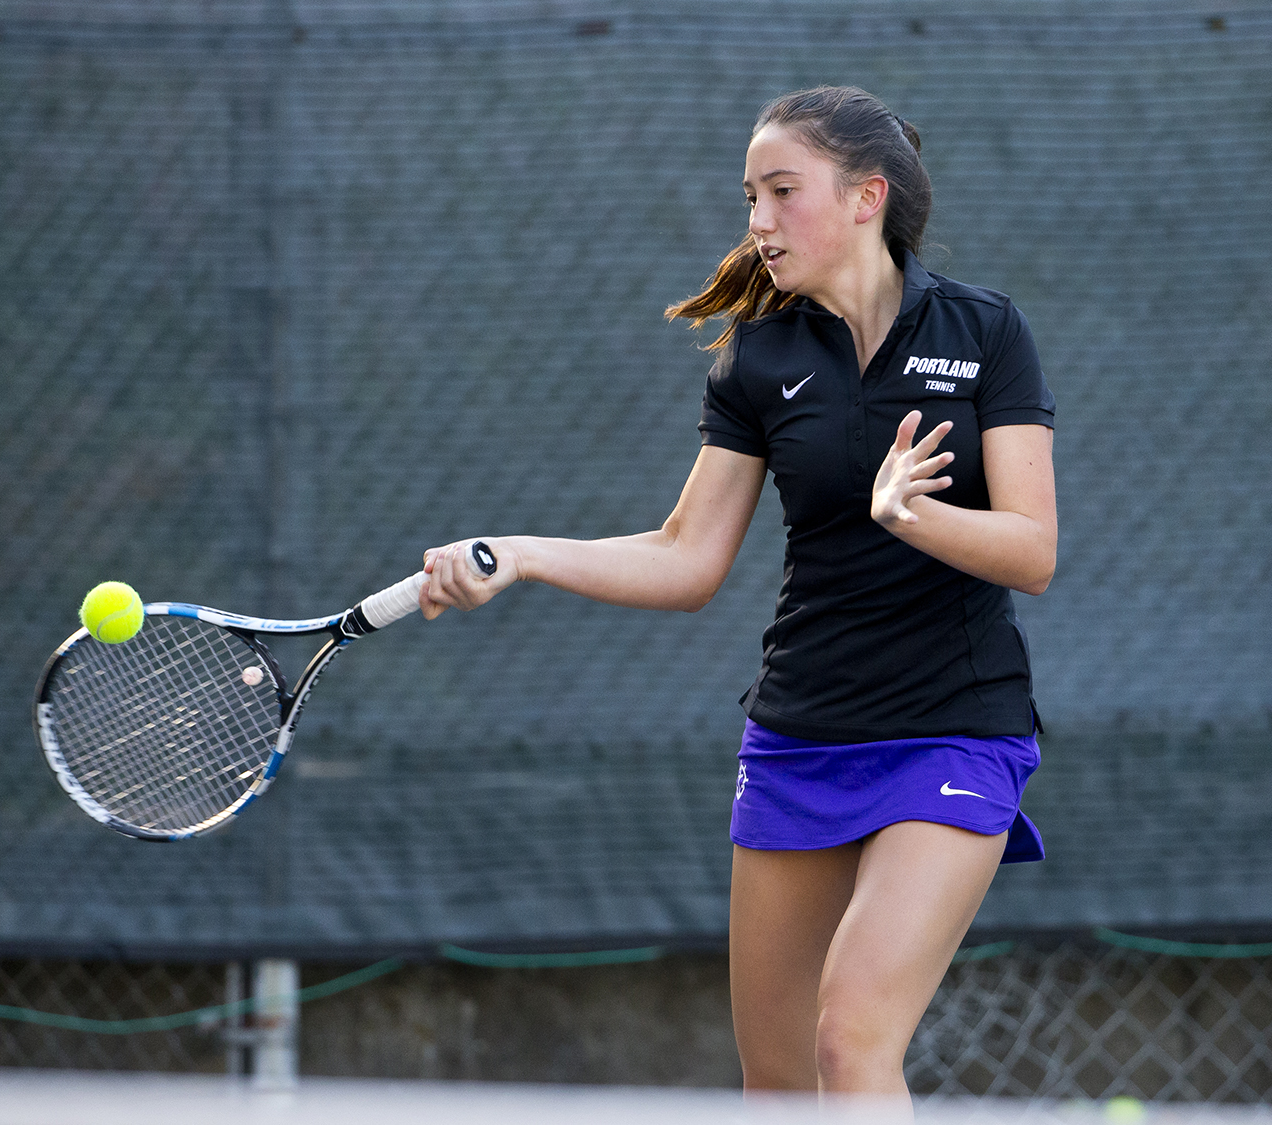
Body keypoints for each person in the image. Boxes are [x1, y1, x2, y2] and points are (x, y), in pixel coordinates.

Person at [417, 85, 1057, 1109]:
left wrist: (914, 517)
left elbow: (1030, 550)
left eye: (779, 191)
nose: (756, 221)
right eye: (748, 196)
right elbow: (685, 559)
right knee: (775, 1081)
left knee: (850, 1041)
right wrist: (523, 553)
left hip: (954, 731)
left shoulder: (983, 332)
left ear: (863, 198)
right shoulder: (760, 362)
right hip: (801, 737)